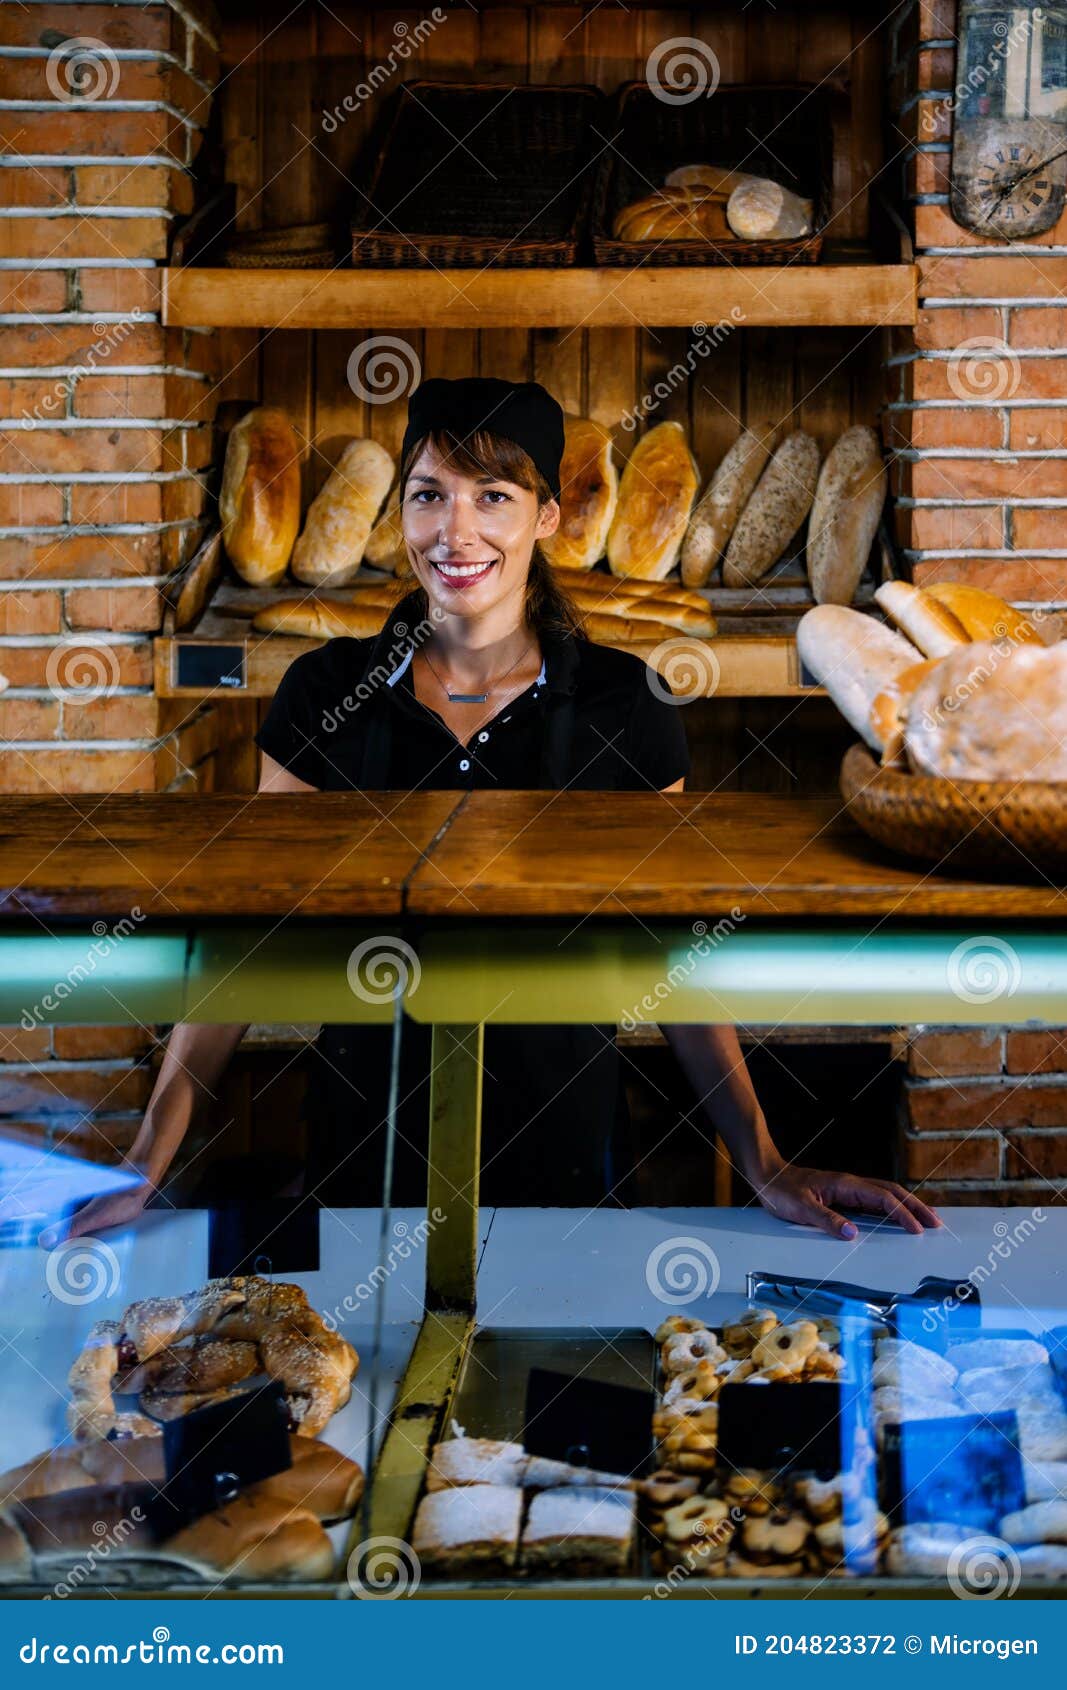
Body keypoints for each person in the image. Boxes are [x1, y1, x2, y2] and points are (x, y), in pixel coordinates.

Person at [45, 377, 940, 1246]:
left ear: (546, 517)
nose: (454, 531)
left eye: (494, 497)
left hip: (568, 1158)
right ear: (400, 511)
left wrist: (761, 1159)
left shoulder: (625, 703)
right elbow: (254, 940)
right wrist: (150, 1156)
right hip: (366, 1158)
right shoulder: (326, 690)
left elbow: (670, 950)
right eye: (429, 495)